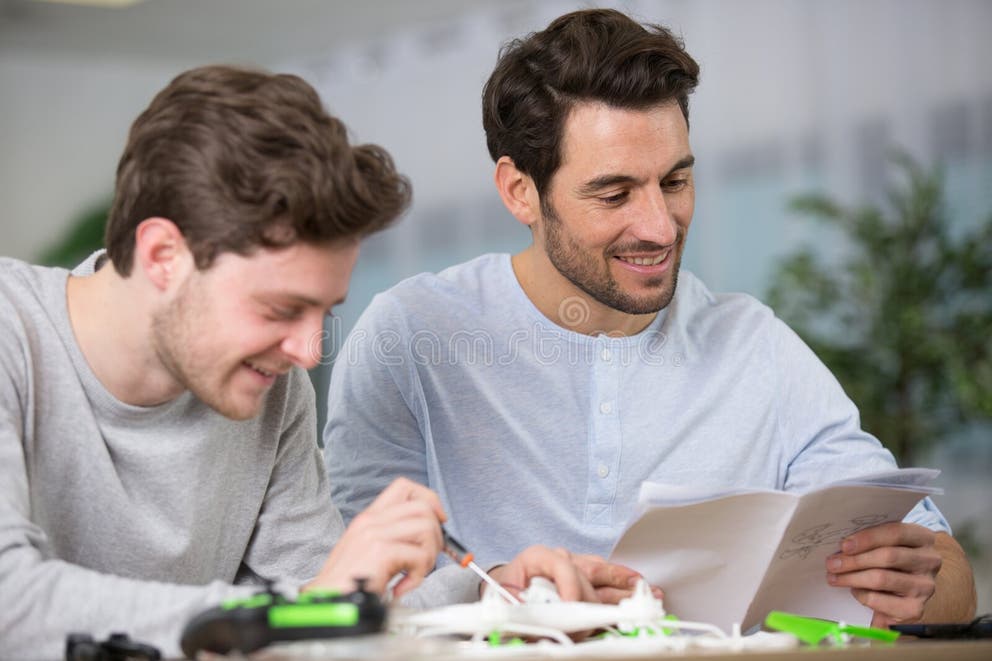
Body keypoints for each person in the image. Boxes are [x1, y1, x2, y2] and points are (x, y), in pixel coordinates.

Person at [324, 8, 977, 627]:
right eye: (614, 193)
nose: (659, 227)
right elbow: (334, 587)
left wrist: (923, 580)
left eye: (674, 181)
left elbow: (945, 571)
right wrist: (499, 592)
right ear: (520, 190)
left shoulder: (755, 346)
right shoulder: (411, 336)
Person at [0, 65, 634, 661]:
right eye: (281, 308)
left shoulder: (271, 392)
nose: (307, 352)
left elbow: (324, 604)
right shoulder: (12, 336)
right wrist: (299, 613)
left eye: (323, 312)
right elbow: (13, 606)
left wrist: (493, 596)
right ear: (165, 256)